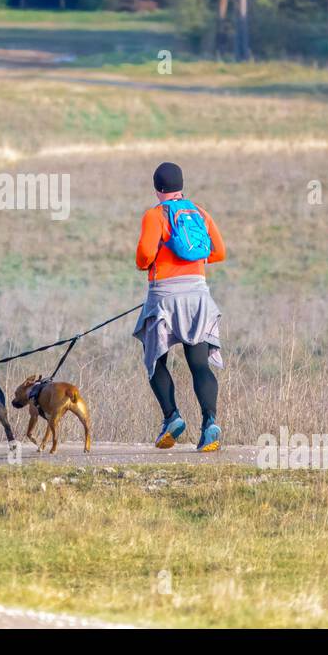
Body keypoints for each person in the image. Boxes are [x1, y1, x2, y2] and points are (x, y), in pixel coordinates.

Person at [132, 162, 226, 452]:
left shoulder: (154, 215)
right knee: (198, 365)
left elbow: (144, 256)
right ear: (181, 185)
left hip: (164, 299)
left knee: (155, 360)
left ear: (157, 188)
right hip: (198, 297)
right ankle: (210, 423)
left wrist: (151, 260)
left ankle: (172, 417)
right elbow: (219, 252)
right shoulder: (200, 213)